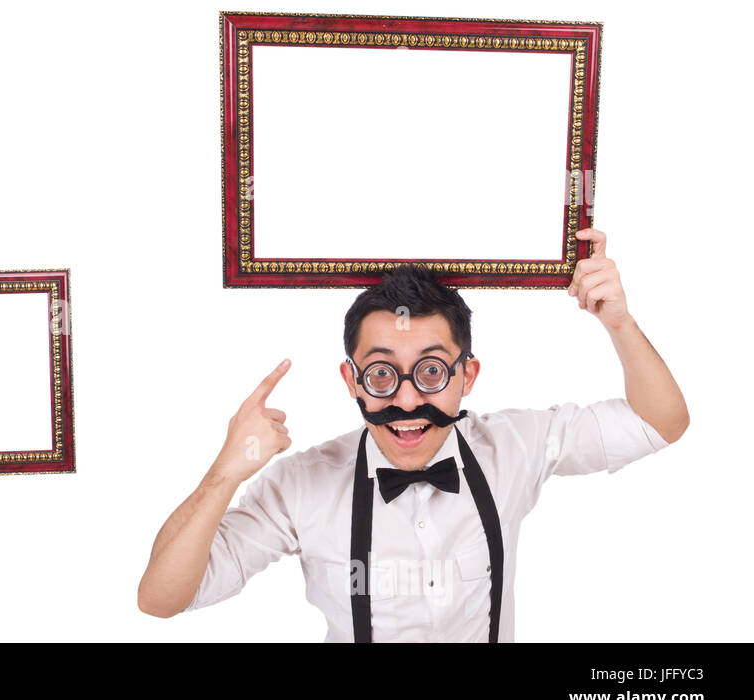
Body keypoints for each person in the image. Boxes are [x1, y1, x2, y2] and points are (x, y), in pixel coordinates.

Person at [137, 228, 688, 641]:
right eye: (381, 374)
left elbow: (658, 422)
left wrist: (618, 321)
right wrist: (224, 473)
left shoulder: (515, 445)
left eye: (431, 371)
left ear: (466, 376)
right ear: (351, 380)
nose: (406, 401)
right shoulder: (301, 484)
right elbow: (162, 599)